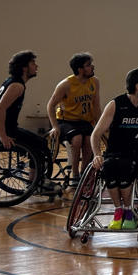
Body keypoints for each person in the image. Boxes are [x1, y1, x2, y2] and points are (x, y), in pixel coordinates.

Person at [90, 67, 138, 230]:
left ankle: (129, 211)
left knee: (126, 167)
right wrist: (96, 154)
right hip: (116, 151)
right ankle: (118, 211)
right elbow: (96, 134)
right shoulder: (115, 104)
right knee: (108, 167)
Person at [0, 50, 58, 192]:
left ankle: (34, 181)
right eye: (33, 63)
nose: (36, 66)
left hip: (3, 128)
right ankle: (35, 183)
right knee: (41, 144)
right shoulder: (17, 86)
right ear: (24, 67)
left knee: (37, 142)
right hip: (4, 131)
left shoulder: (11, 81)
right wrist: (3, 136)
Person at [47, 53, 101, 187]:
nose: (92, 67)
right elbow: (50, 105)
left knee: (90, 140)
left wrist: (100, 125)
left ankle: (84, 173)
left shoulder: (94, 82)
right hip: (66, 121)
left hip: (84, 121)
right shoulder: (66, 85)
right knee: (77, 139)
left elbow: (96, 106)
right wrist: (54, 126)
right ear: (80, 69)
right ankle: (75, 174)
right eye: (88, 65)